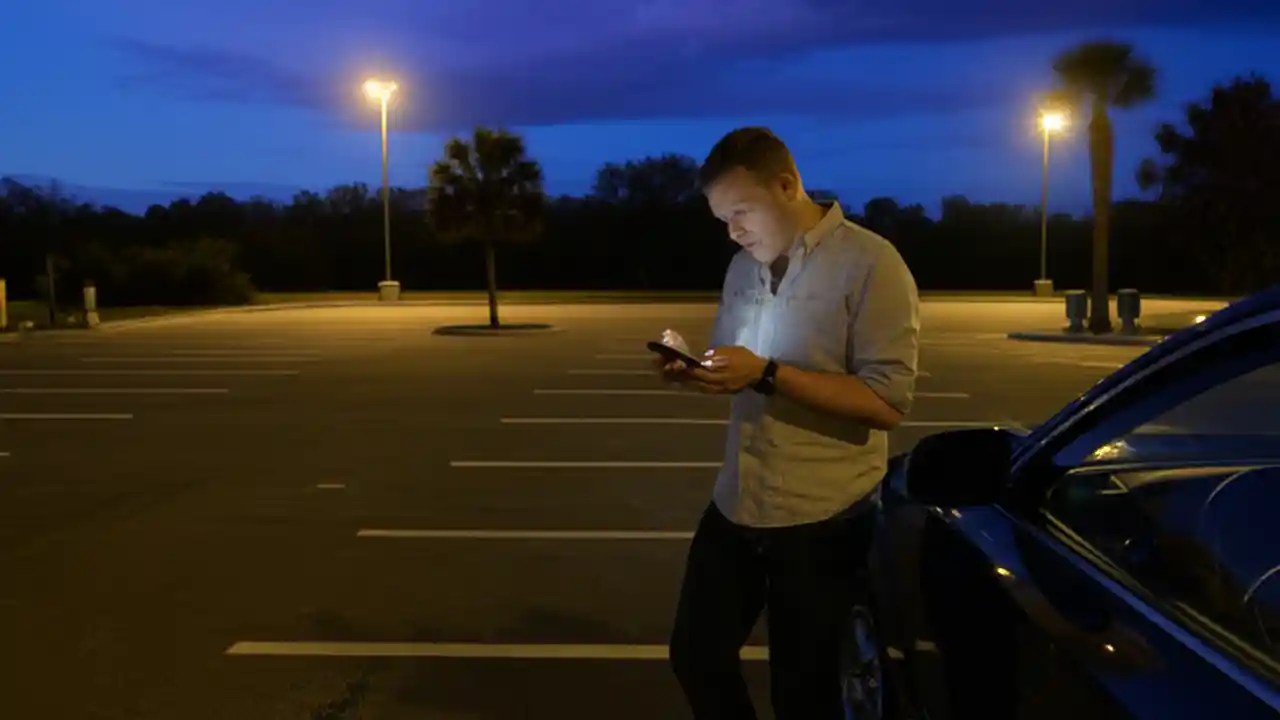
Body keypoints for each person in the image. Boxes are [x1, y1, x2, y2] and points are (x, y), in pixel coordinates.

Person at [660, 126, 920, 719]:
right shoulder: (742, 270)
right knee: (696, 656)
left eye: (742, 212)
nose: (733, 231)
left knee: (804, 693)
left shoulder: (871, 264)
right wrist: (694, 370)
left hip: (823, 517)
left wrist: (768, 373)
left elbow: (887, 402)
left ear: (787, 185)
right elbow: (738, 364)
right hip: (737, 502)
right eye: (722, 218)